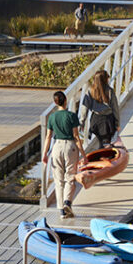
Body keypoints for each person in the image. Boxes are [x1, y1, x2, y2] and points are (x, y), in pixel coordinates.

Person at [42, 90, 86, 219]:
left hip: (57, 147)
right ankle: (68, 202)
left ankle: (61, 210)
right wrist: (84, 154)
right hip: (70, 147)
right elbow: (76, 137)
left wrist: (45, 153)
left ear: (55, 102)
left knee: (58, 180)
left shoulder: (52, 117)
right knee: (70, 177)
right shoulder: (72, 116)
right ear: (65, 101)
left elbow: (48, 137)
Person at [80, 70, 120, 148]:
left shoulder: (90, 90)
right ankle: (104, 157)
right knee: (105, 144)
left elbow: (84, 108)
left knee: (102, 141)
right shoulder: (109, 91)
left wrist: (82, 122)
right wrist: (117, 123)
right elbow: (115, 108)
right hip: (108, 121)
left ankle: (102, 154)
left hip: (95, 120)